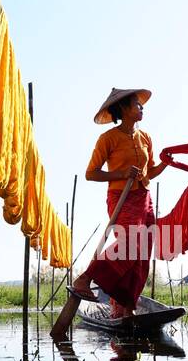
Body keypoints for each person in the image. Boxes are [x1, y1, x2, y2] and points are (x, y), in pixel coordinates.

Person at [69, 88, 167, 318]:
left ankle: (124, 307)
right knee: (130, 243)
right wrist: (122, 173)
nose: (142, 108)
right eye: (136, 104)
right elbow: (91, 173)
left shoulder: (145, 137)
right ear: (123, 108)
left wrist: (165, 164)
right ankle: (85, 278)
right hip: (121, 197)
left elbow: (149, 172)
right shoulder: (108, 139)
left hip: (144, 197)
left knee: (142, 255)